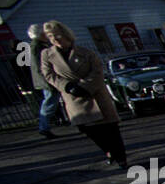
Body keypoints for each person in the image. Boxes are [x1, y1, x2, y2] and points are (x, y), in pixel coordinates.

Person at [39, 20, 128, 168]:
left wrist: (85, 86)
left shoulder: (86, 53)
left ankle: (121, 158)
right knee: (89, 130)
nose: (54, 39)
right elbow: (48, 75)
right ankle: (108, 151)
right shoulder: (47, 55)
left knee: (111, 130)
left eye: (57, 35)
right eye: (50, 36)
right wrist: (67, 86)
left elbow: (98, 72)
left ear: (66, 35)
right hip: (73, 97)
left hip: (95, 95)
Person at [26, 23, 61, 139]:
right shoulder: (37, 47)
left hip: (45, 79)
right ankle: (44, 127)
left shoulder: (36, 46)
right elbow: (40, 65)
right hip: (47, 79)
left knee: (50, 102)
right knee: (50, 103)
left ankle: (45, 126)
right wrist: (47, 79)